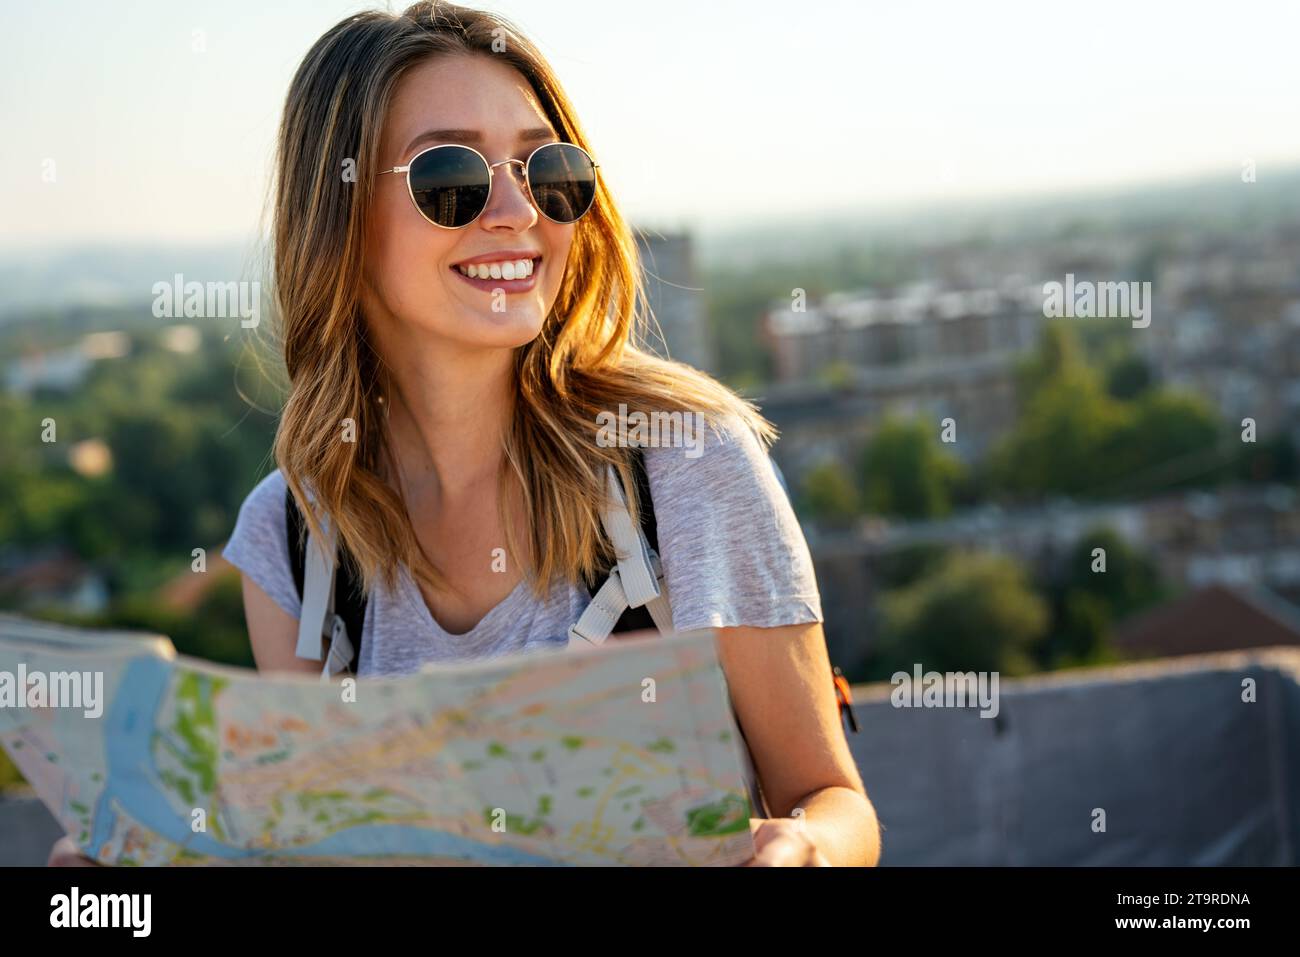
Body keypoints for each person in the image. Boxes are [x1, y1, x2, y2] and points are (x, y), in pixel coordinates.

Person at [50, 0, 880, 868]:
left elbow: (832, 798)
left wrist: (808, 849)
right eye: (453, 176)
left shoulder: (683, 466)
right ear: (337, 217)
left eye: (546, 168)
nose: (519, 209)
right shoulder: (295, 537)